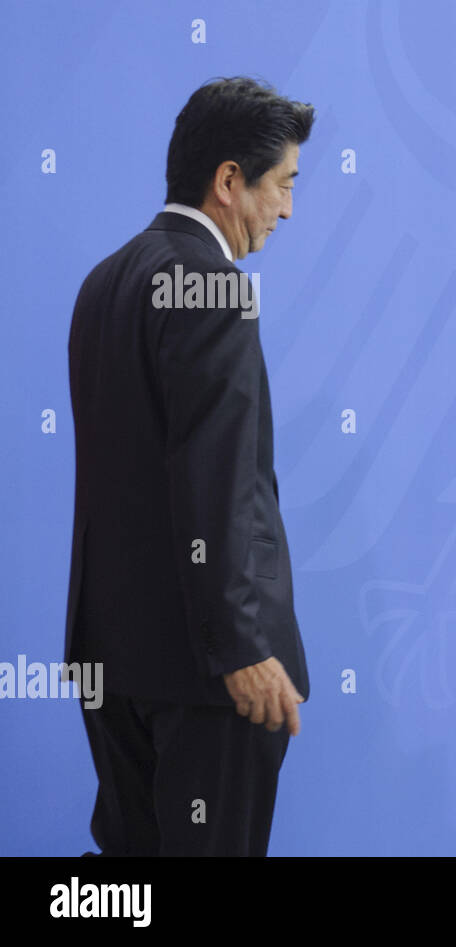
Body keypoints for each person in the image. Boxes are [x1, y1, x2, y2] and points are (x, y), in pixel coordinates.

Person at [64, 77, 314, 856]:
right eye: (282, 186)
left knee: (126, 887)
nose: (287, 210)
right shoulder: (213, 290)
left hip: (113, 658)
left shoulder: (104, 281)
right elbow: (214, 486)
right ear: (229, 180)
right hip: (205, 672)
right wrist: (239, 646)